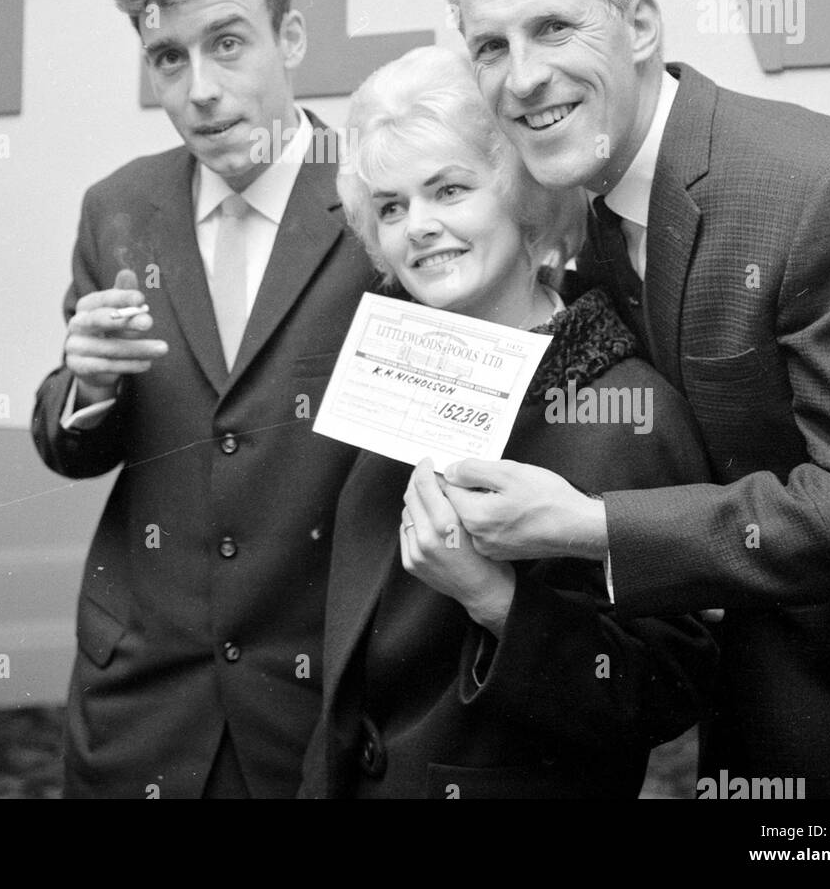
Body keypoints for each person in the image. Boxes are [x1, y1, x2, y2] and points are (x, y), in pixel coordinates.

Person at [441, 0, 830, 797]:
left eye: (553, 27)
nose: (523, 76)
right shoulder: (573, 215)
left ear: (641, 26)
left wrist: (590, 527)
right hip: (731, 724)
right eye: (489, 47)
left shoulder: (819, 188)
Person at [299, 45, 716, 799]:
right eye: (391, 206)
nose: (418, 226)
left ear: (523, 194)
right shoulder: (384, 378)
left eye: (449, 190)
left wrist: (494, 598)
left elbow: (666, 692)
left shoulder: (628, 408)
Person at [31, 0, 377, 798]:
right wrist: (87, 388)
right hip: (138, 704)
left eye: (228, 44)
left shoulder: (383, 197)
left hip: (319, 709)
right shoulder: (118, 206)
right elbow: (74, 443)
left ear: (290, 36)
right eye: (168, 59)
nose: (201, 90)